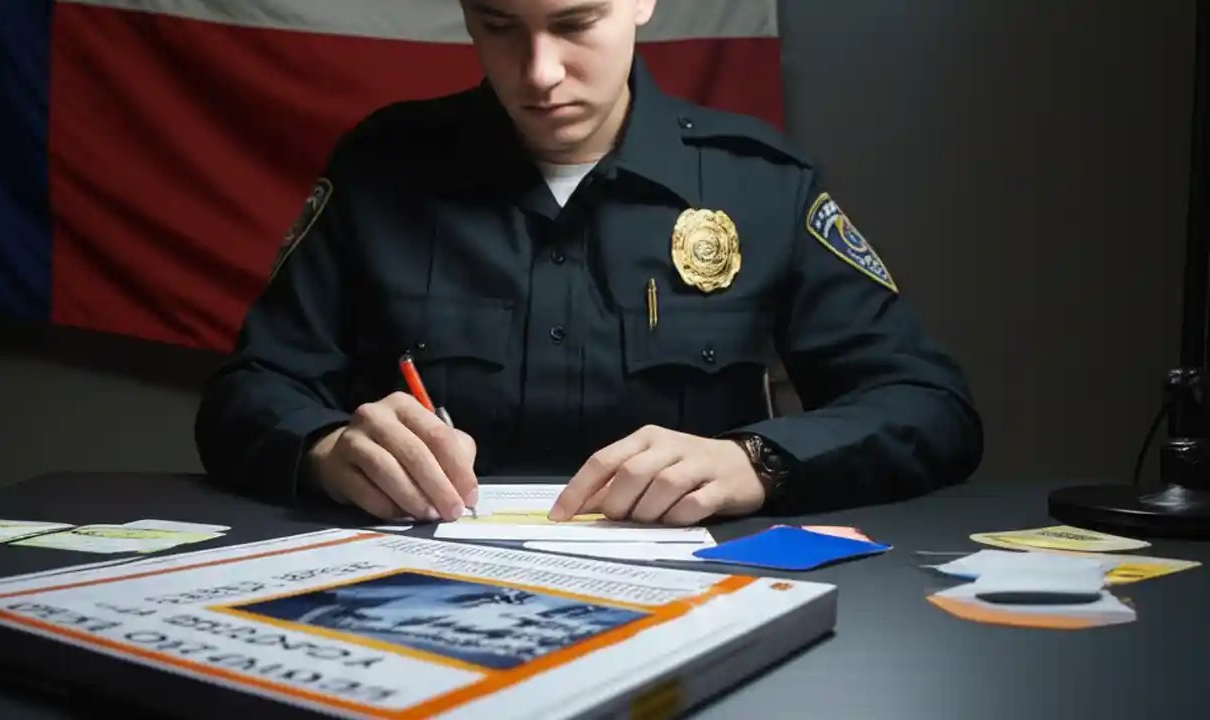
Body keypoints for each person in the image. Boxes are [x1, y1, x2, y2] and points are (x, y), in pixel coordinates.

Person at [193, 0, 983, 526]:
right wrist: (329, 450)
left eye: (576, 21)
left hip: (699, 605)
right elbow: (248, 393)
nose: (539, 72)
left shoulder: (760, 183)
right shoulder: (380, 168)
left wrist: (757, 462)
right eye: (499, 24)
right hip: (418, 595)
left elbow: (929, 407)